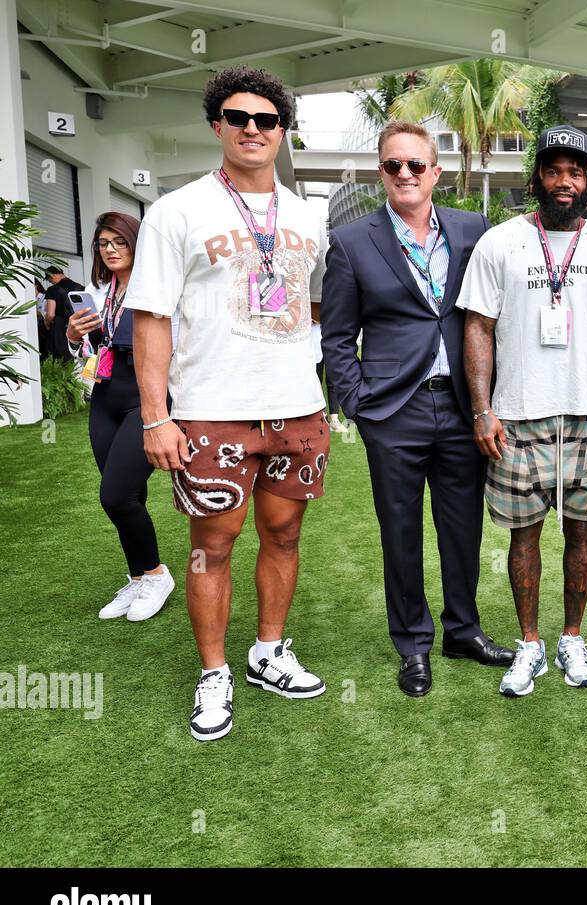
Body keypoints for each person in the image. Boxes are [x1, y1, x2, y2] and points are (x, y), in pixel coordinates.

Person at [126, 66, 331, 742]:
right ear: (217, 126)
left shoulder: (307, 217)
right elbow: (152, 319)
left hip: (297, 408)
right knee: (213, 545)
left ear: (281, 132)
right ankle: (214, 671)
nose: (252, 129)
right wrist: (157, 415)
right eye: (238, 118)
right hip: (212, 409)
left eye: (266, 120)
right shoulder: (177, 212)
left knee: (285, 534)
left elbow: (314, 305)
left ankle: (268, 650)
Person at [321, 120, 518, 694]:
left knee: (462, 529)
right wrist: (358, 403)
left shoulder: (474, 229)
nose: (404, 174)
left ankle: (463, 628)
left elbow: (506, 290)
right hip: (393, 412)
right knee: (400, 531)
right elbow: (337, 336)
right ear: (381, 173)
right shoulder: (353, 242)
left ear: (435, 172)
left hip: (461, 408)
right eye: (392, 166)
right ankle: (412, 643)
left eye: (415, 165)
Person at [460, 125, 587, 698]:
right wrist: (483, 409)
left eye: (575, 172)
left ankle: (571, 637)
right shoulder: (500, 242)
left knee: (581, 535)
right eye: (553, 171)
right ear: (536, 179)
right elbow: (477, 326)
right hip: (517, 416)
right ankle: (529, 642)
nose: (563, 181)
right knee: (522, 538)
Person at [62, 212, 176, 621]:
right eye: (103, 244)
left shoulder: (160, 289)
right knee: (128, 497)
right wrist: (74, 336)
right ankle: (138, 576)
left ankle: (156, 573)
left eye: (119, 242)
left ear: (136, 244)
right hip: (106, 394)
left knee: (116, 494)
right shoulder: (97, 290)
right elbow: (88, 352)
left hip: (147, 396)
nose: (110, 250)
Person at [42, 267, 83, 360]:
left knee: (59, 358)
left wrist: (47, 325)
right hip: (77, 328)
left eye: (49, 280)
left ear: (51, 276)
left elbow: (50, 314)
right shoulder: (80, 287)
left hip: (59, 329)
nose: (50, 282)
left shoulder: (52, 289)